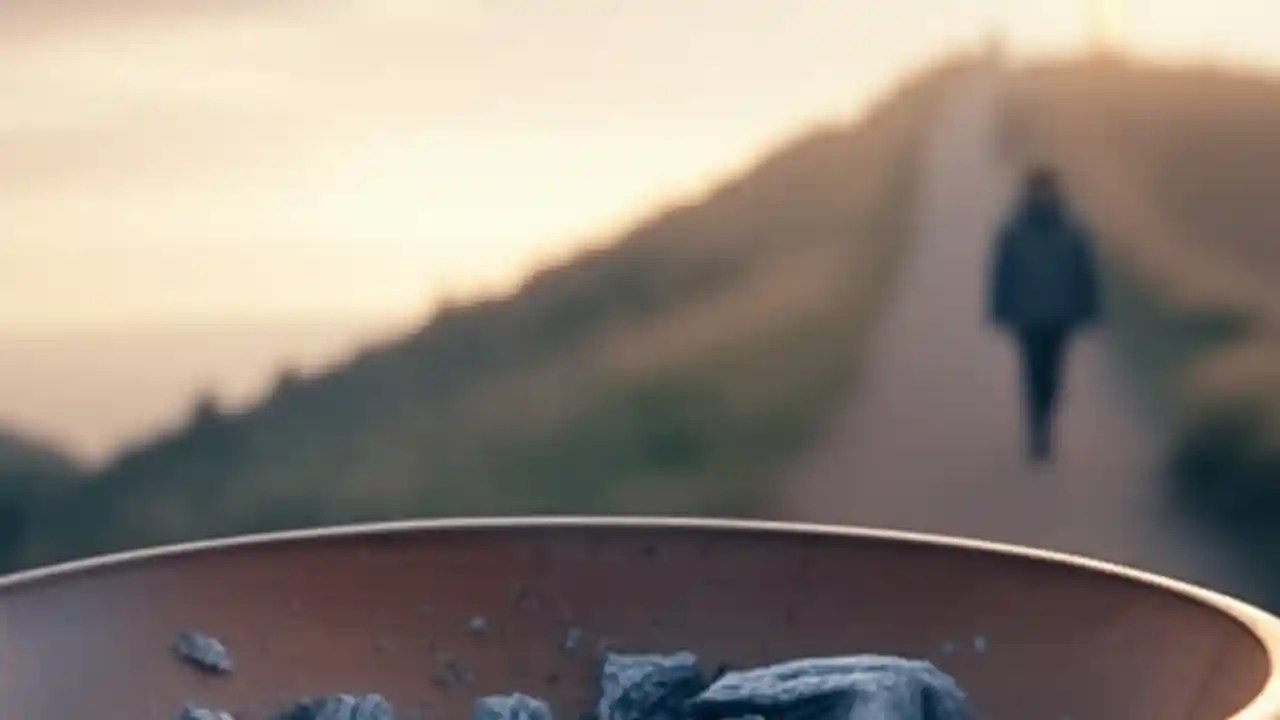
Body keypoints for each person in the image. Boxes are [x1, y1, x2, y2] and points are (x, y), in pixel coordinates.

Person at [988, 166, 1100, 462]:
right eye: (1039, 191)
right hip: (1028, 317)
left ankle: (1045, 418)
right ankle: (1038, 428)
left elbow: (1085, 274)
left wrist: (1089, 308)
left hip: (1060, 316)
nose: (1043, 196)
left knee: (1054, 374)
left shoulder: (1072, 232)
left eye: (1047, 190)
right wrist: (1000, 309)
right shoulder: (1014, 232)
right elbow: (1002, 274)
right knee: (1032, 371)